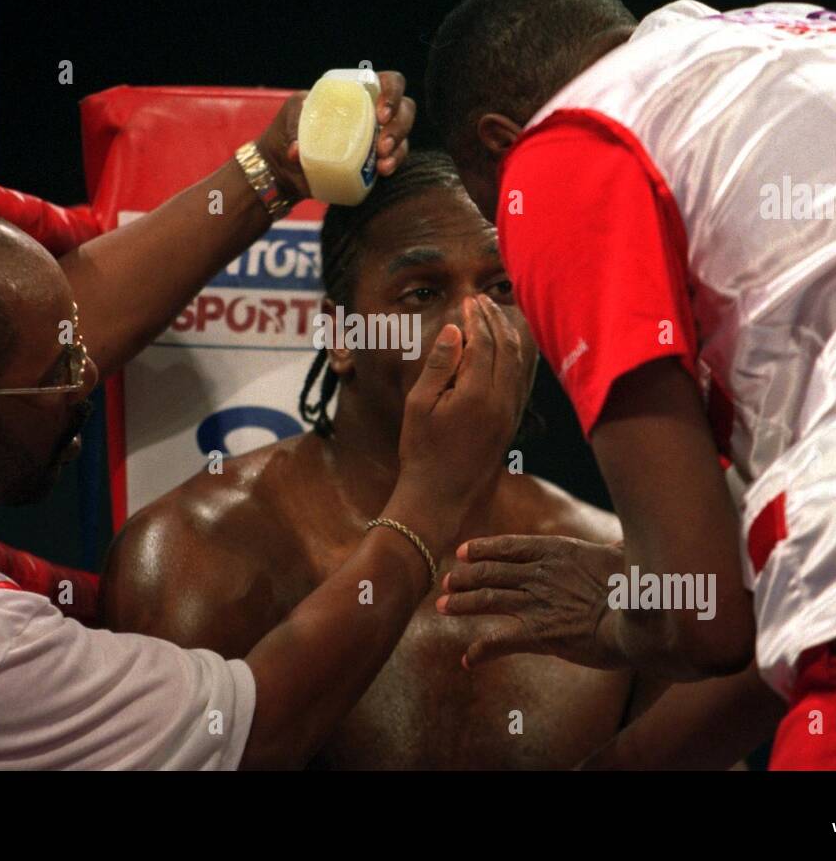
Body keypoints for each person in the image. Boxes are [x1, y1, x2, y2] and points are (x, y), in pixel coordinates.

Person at [0, 80, 533, 771]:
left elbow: (42, 329)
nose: (88, 378)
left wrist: (274, 168)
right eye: (59, 375)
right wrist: (431, 496)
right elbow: (255, 727)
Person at [424, 0, 836, 768]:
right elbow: (769, 621)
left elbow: (704, 622)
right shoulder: (828, 60)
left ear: (500, 144)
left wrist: (622, 609)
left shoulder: (563, 147)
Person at [103, 151, 783, 769]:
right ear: (340, 335)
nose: (473, 324)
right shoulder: (198, 551)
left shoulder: (612, 558)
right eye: (423, 293)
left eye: (502, 289)